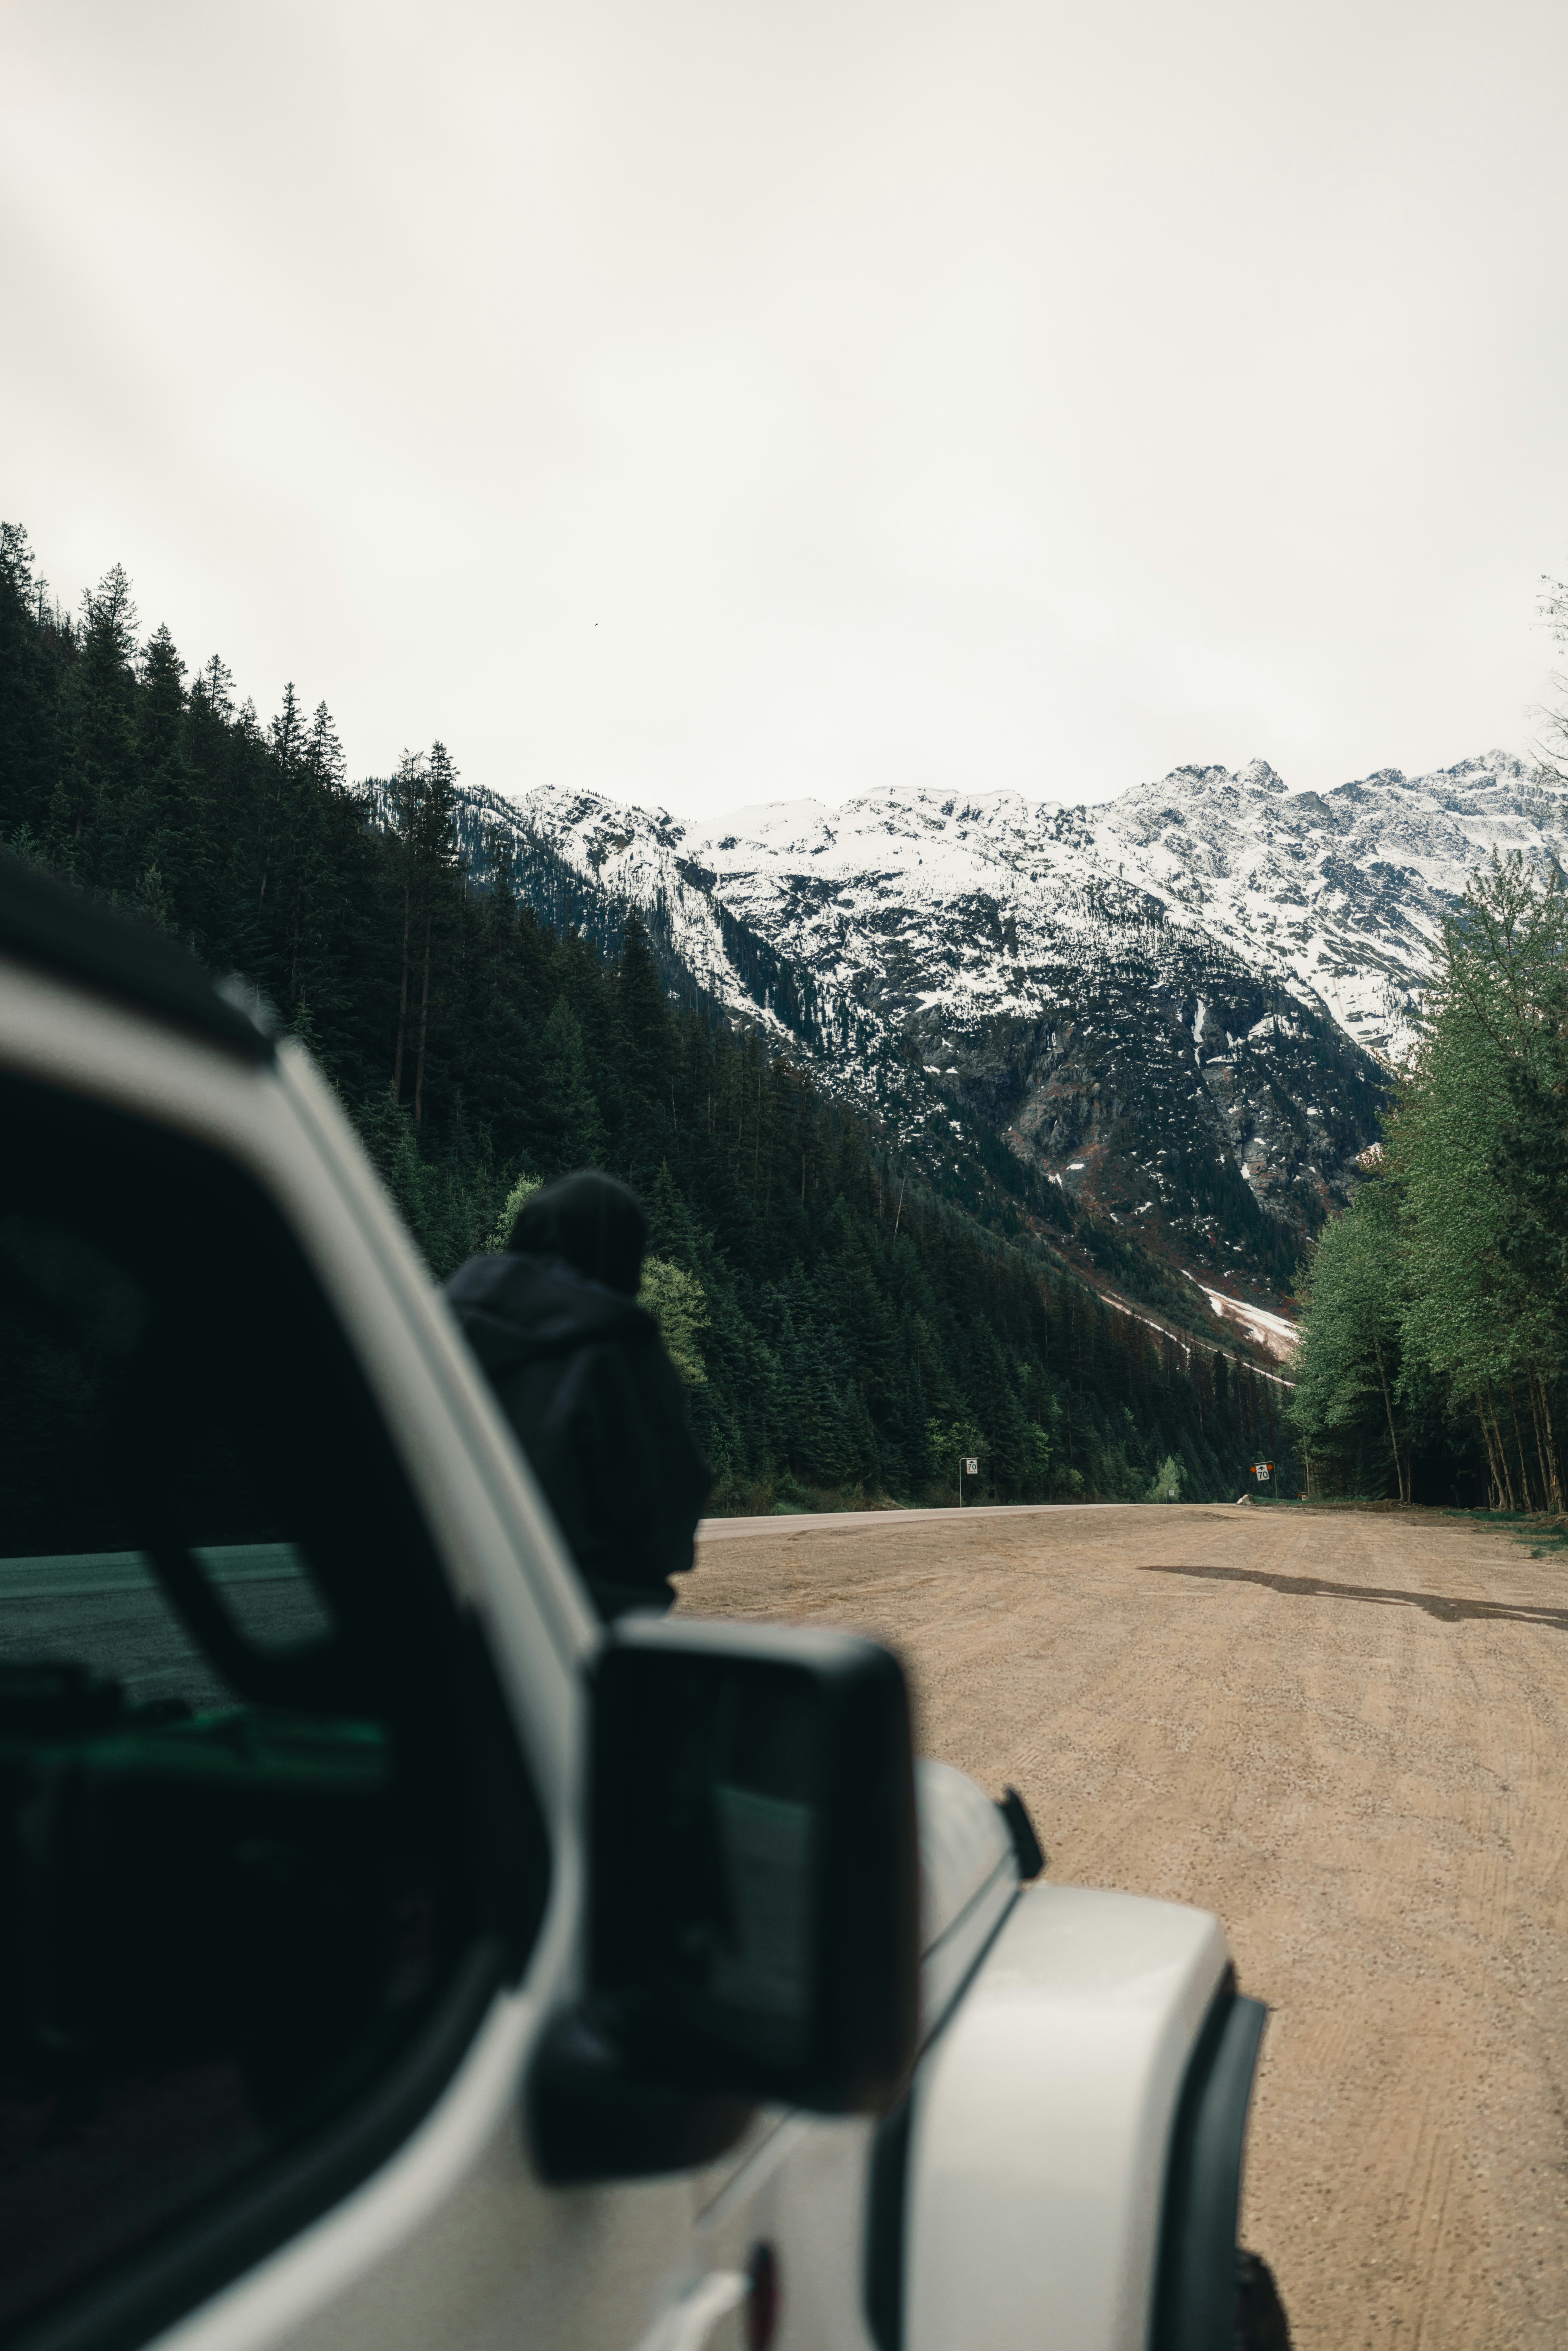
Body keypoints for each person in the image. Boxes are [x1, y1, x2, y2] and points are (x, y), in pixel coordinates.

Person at [444, 1171, 710, 1621]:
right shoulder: (621, 1352)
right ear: (625, 1254)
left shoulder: (438, 1328)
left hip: (442, 1605)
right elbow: (666, 1522)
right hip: (574, 1620)